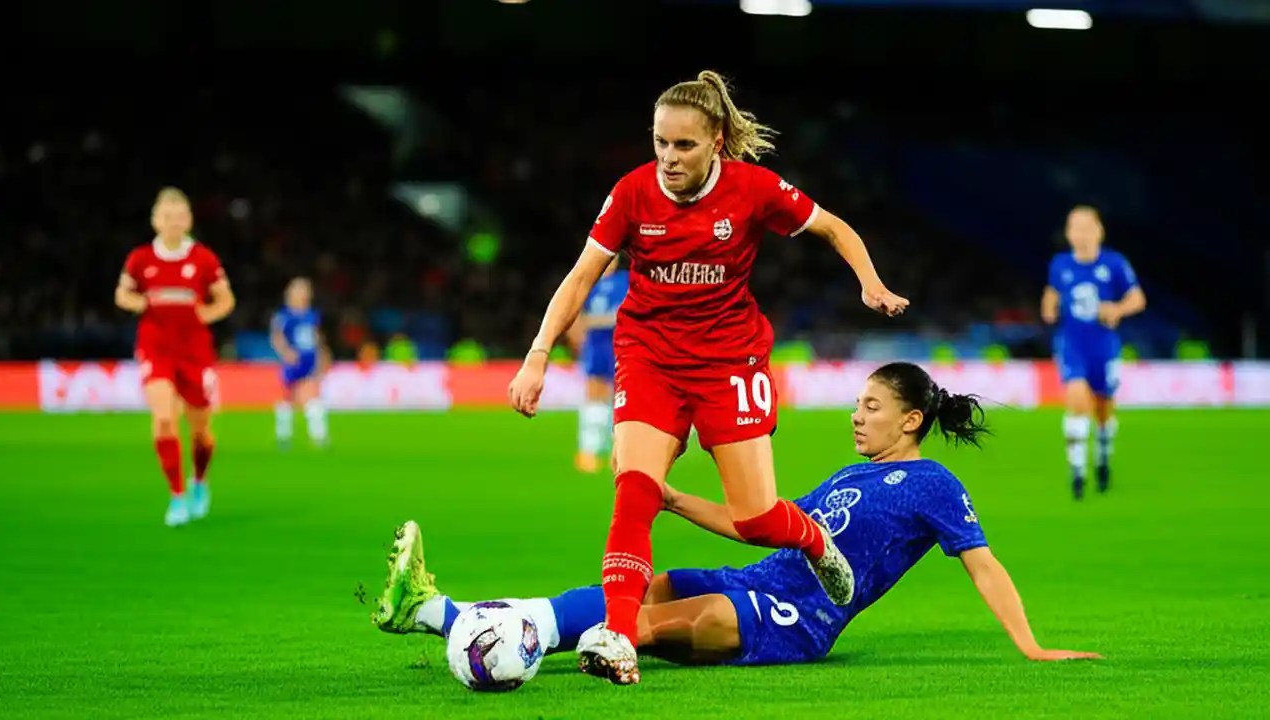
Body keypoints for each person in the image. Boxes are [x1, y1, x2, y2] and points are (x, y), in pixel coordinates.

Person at [507, 70, 909, 684]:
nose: (668, 158)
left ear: (716, 142)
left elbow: (832, 227)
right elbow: (581, 276)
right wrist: (538, 354)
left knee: (755, 518)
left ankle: (811, 538)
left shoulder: (754, 189)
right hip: (650, 357)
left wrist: (870, 282)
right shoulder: (632, 193)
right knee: (634, 489)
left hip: (730, 360)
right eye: (659, 142)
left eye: (683, 145)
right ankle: (619, 635)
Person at [377, 362, 1101, 676]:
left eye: (872, 407)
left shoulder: (934, 484)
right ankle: (438, 613)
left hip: (797, 619)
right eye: (856, 403)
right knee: (637, 592)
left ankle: (500, 646)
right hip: (754, 578)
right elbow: (758, 522)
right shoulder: (849, 475)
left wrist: (1031, 646)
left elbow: (983, 563)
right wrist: (672, 499)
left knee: (649, 625)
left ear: (911, 420)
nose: (856, 415)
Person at [114, 187, 235, 526]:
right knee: (165, 418)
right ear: (156, 220)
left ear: (189, 220)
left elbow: (226, 299)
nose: (173, 223)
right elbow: (122, 294)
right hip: (155, 348)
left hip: (194, 351)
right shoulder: (140, 259)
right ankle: (177, 496)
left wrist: (206, 314)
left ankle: (199, 481)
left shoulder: (203, 259)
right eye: (167, 217)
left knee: (201, 429)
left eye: (180, 216)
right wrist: (139, 302)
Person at [1040, 206, 1146, 499]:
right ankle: (1077, 473)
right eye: (1074, 227)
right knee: (1076, 400)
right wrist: (1048, 307)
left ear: (1099, 230)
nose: (1080, 234)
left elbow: (1137, 298)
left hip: (1104, 346)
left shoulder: (1113, 263)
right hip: (1072, 344)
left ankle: (1102, 457)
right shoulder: (1061, 264)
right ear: (1068, 233)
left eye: (1086, 227)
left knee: (1102, 408)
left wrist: (1118, 309)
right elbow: (1052, 292)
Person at [565, 255, 630, 473]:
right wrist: (578, 335)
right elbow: (576, 312)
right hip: (596, 345)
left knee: (622, 396)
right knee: (595, 393)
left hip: (620, 343)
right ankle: (588, 451)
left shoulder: (625, 280)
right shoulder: (588, 281)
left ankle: (620, 451)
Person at [270, 277, 331, 448]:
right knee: (287, 398)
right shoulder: (283, 316)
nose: (303, 294)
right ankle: (284, 435)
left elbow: (317, 338)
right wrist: (285, 352)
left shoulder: (312, 315)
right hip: (293, 360)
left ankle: (318, 435)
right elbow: (277, 337)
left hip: (309, 359)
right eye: (299, 290)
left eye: (305, 290)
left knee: (311, 396)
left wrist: (322, 356)